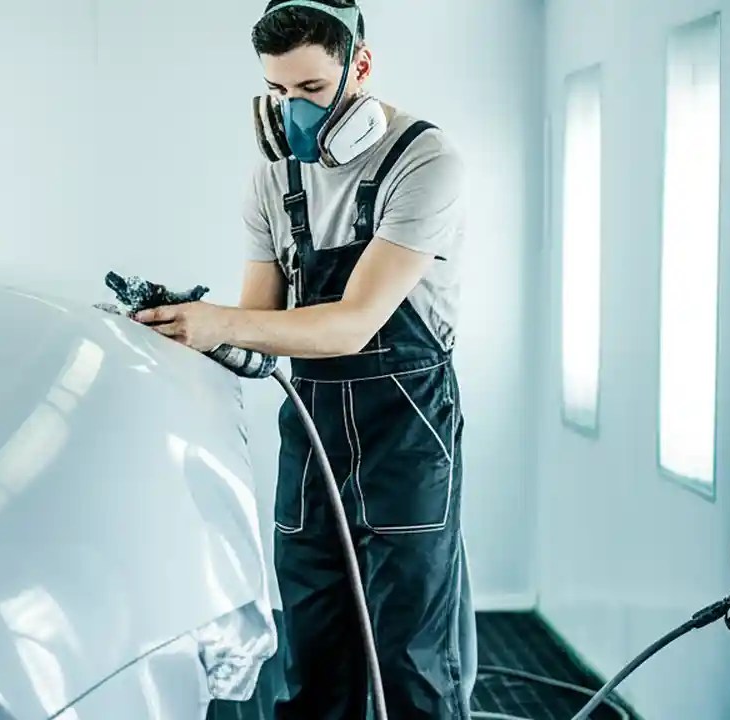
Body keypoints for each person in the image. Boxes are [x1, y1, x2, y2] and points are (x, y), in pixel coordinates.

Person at [132, 1, 476, 718]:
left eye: (312, 91)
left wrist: (226, 321)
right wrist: (185, 326)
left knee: (411, 660)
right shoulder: (271, 179)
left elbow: (352, 324)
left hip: (406, 434)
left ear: (362, 67)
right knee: (314, 651)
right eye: (279, 92)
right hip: (313, 431)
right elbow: (261, 323)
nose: (294, 113)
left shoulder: (427, 161)